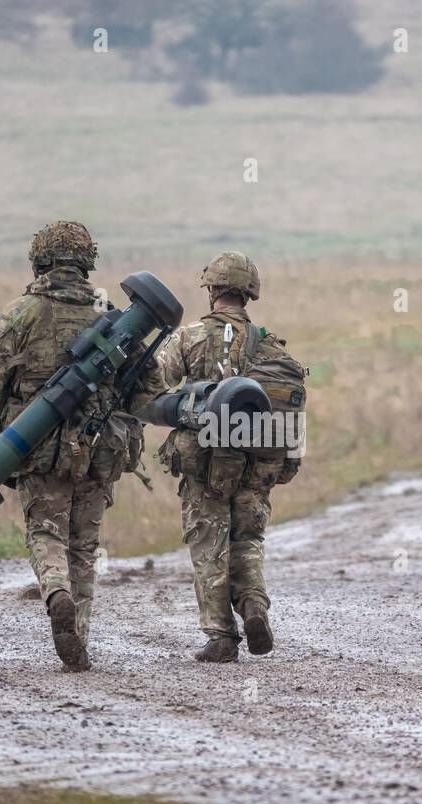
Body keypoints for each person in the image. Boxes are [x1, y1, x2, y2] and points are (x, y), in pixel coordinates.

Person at [0, 221, 164, 672]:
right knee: (85, 544)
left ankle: (55, 592)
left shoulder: (19, 314)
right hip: (101, 447)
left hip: (36, 445)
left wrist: (4, 438)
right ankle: (78, 640)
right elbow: (148, 390)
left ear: (39, 260)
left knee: (46, 531)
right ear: (86, 262)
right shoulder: (115, 316)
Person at [146, 252, 306, 663]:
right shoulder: (272, 345)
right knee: (248, 539)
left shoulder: (189, 336)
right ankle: (253, 603)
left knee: (209, 542)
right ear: (249, 293)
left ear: (213, 289)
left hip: (205, 462)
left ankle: (220, 636)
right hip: (257, 464)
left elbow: (153, 384)